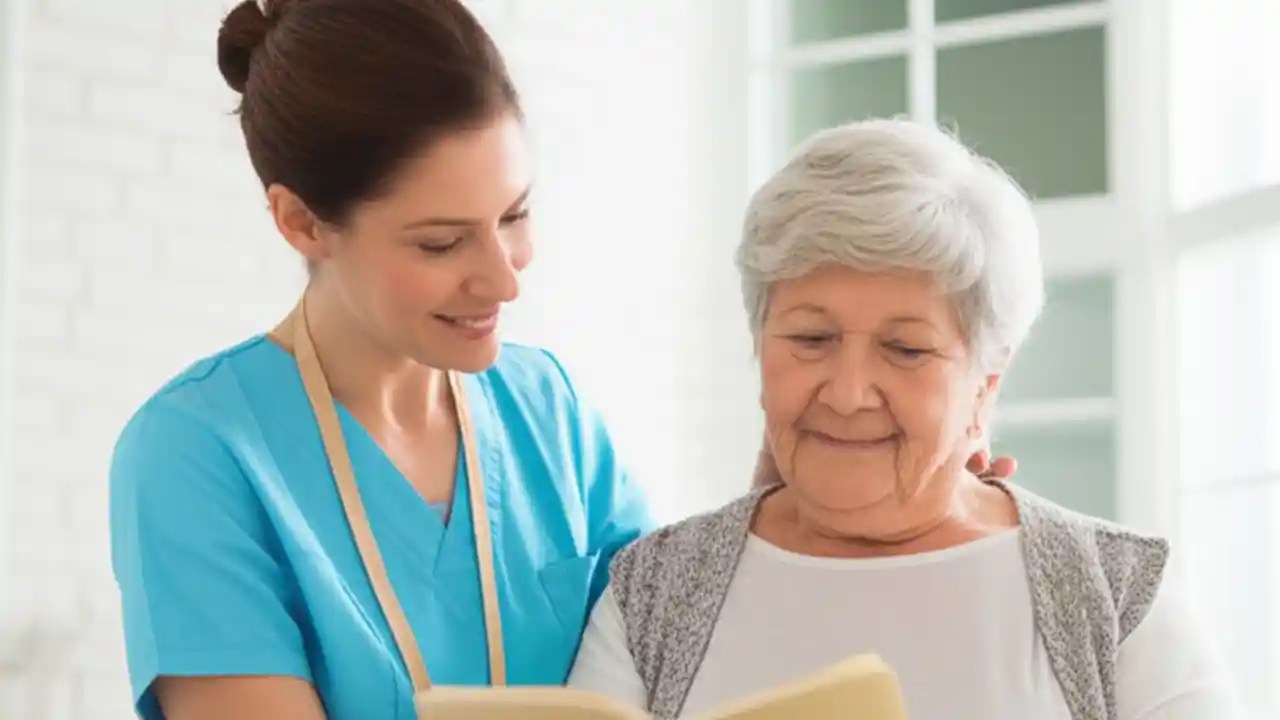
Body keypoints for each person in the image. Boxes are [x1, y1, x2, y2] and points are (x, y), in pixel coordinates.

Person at [108, 2, 1016, 719]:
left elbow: (674, 639)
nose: (503, 279)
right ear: (302, 222)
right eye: (440, 243)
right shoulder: (199, 453)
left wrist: (843, 482)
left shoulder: (543, 407)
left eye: (515, 216)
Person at [567, 119, 1238, 719]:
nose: (849, 392)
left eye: (906, 349)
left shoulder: (1116, 598)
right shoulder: (651, 594)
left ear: (985, 385)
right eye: (810, 339)